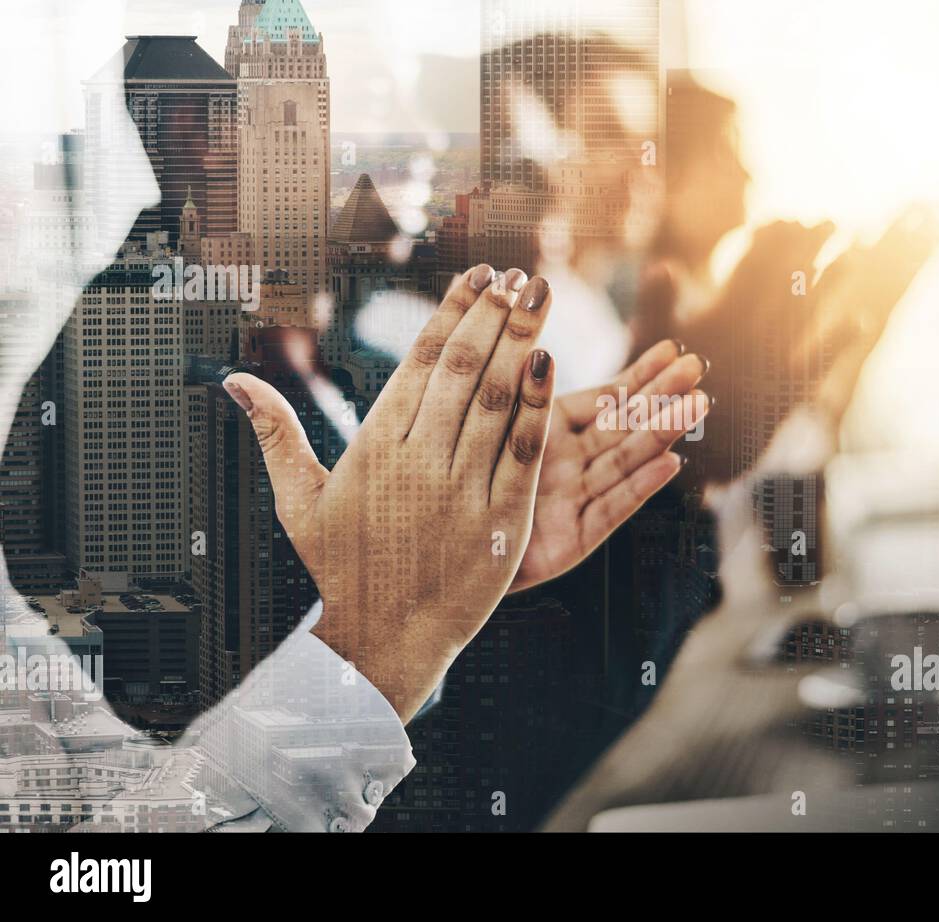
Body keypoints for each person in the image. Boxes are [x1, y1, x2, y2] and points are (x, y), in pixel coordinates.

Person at [0, 8, 707, 832]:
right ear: (213, 135)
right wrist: (392, 631)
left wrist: (476, 559)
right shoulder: (133, 416)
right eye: (381, 97)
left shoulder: (326, 355)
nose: (430, 143)